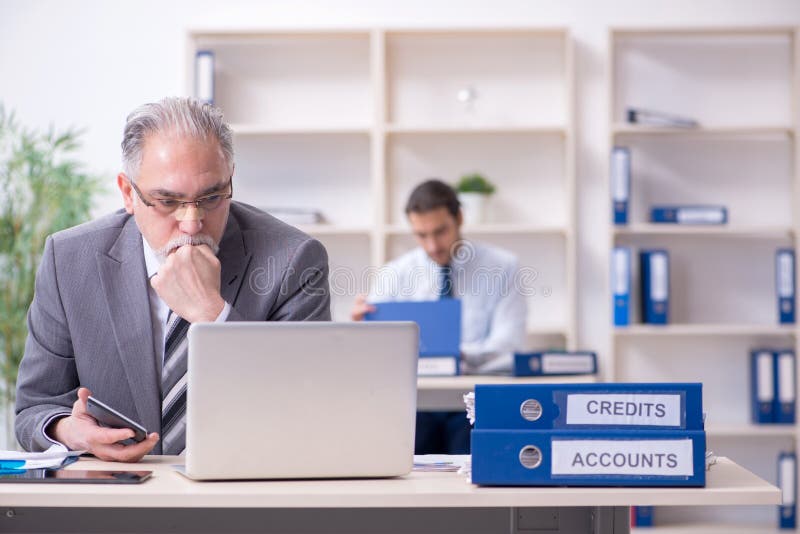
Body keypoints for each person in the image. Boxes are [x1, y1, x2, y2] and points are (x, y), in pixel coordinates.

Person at [15, 97, 331, 461]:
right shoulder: (70, 260)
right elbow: (34, 408)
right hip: (120, 489)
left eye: (211, 197)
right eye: (167, 201)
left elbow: (309, 409)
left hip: (246, 481)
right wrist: (69, 431)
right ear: (128, 193)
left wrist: (214, 315)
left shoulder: (293, 260)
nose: (192, 223)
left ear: (230, 181)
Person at [351, 179, 526, 454]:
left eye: (440, 231)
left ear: (459, 218)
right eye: (421, 235)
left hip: (473, 401)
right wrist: (362, 333)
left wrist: (456, 357)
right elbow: (377, 354)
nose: (432, 245)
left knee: (472, 454)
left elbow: (509, 343)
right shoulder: (394, 274)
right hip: (416, 403)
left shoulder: (503, 267)